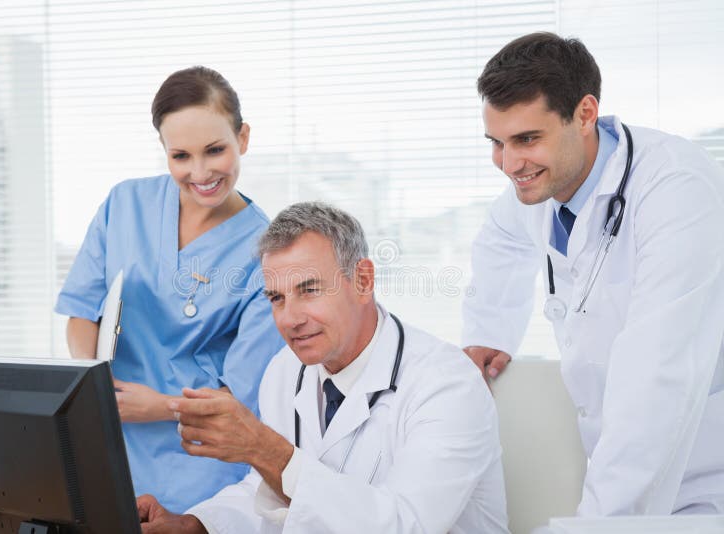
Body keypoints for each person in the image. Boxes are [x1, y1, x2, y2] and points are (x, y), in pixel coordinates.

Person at [462, 32, 724, 516]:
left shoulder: (674, 187)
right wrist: (489, 332)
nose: (508, 163)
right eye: (496, 143)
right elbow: (499, 241)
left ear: (584, 114)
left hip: (706, 468)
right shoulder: (542, 186)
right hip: (615, 460)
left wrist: (598, 524)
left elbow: (657, 375)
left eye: (527, 139)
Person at [137, 202, 509, 533]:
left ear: (362, 281)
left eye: (309, 290)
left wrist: (264, 449)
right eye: (277, 298)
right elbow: (265, 492)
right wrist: (197, 524)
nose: (290, 319)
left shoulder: (447, 383)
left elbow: (406, 524)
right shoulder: (285, 370)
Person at [54, 66, 286, 513]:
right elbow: (82, 310)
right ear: (164, 151)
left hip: (199, 458)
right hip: (111, 438)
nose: (200, 172)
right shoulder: (124, 203)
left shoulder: (267, 250)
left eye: (215, 150)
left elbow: (240, 392)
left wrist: (159, 406)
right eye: (181, 156)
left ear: (244, 138)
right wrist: (95, 386)